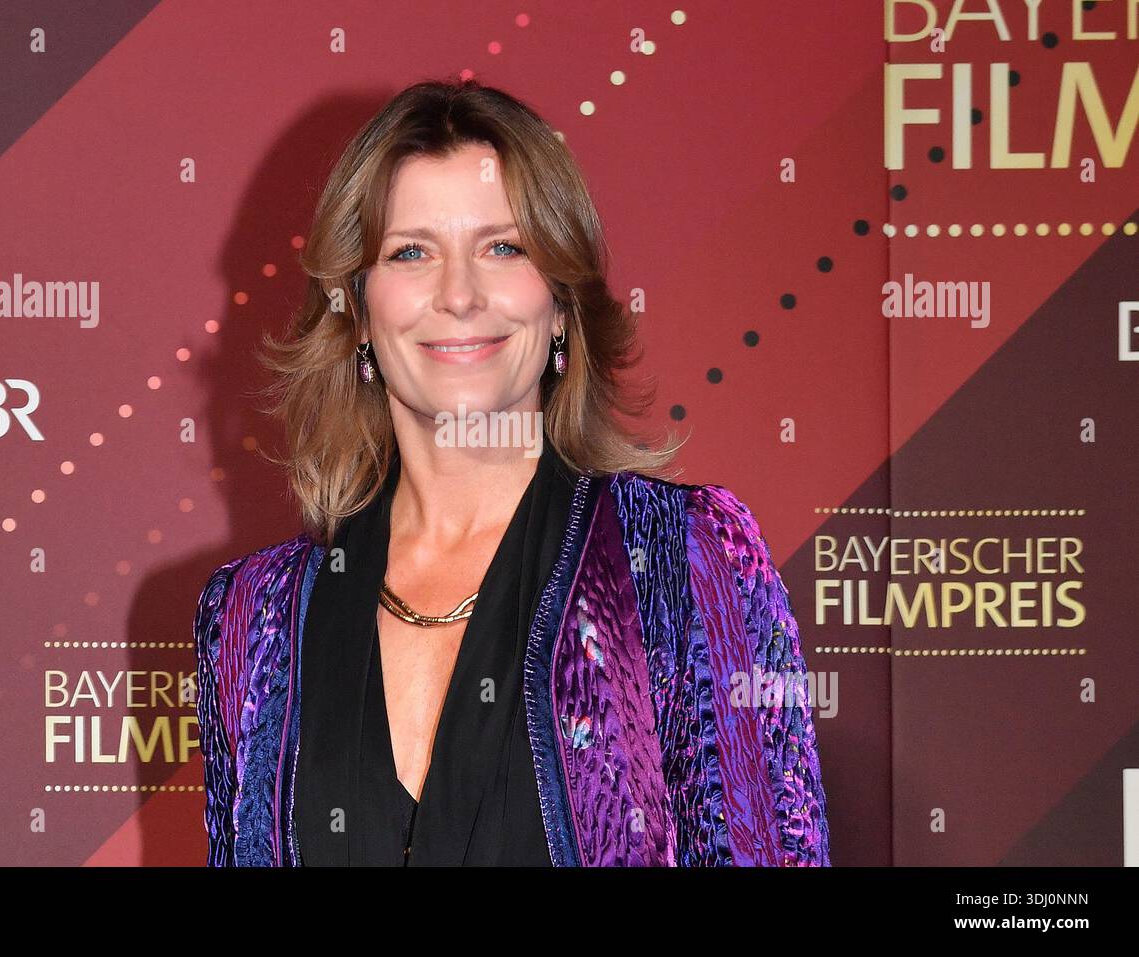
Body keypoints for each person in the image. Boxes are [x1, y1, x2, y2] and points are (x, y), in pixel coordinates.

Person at [193, 78, 830, 867]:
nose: (459, 295)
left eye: (504, 247)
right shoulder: (255, 618)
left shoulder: (681, 561)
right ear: (355, 306)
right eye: (411, 252)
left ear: (561, 301)